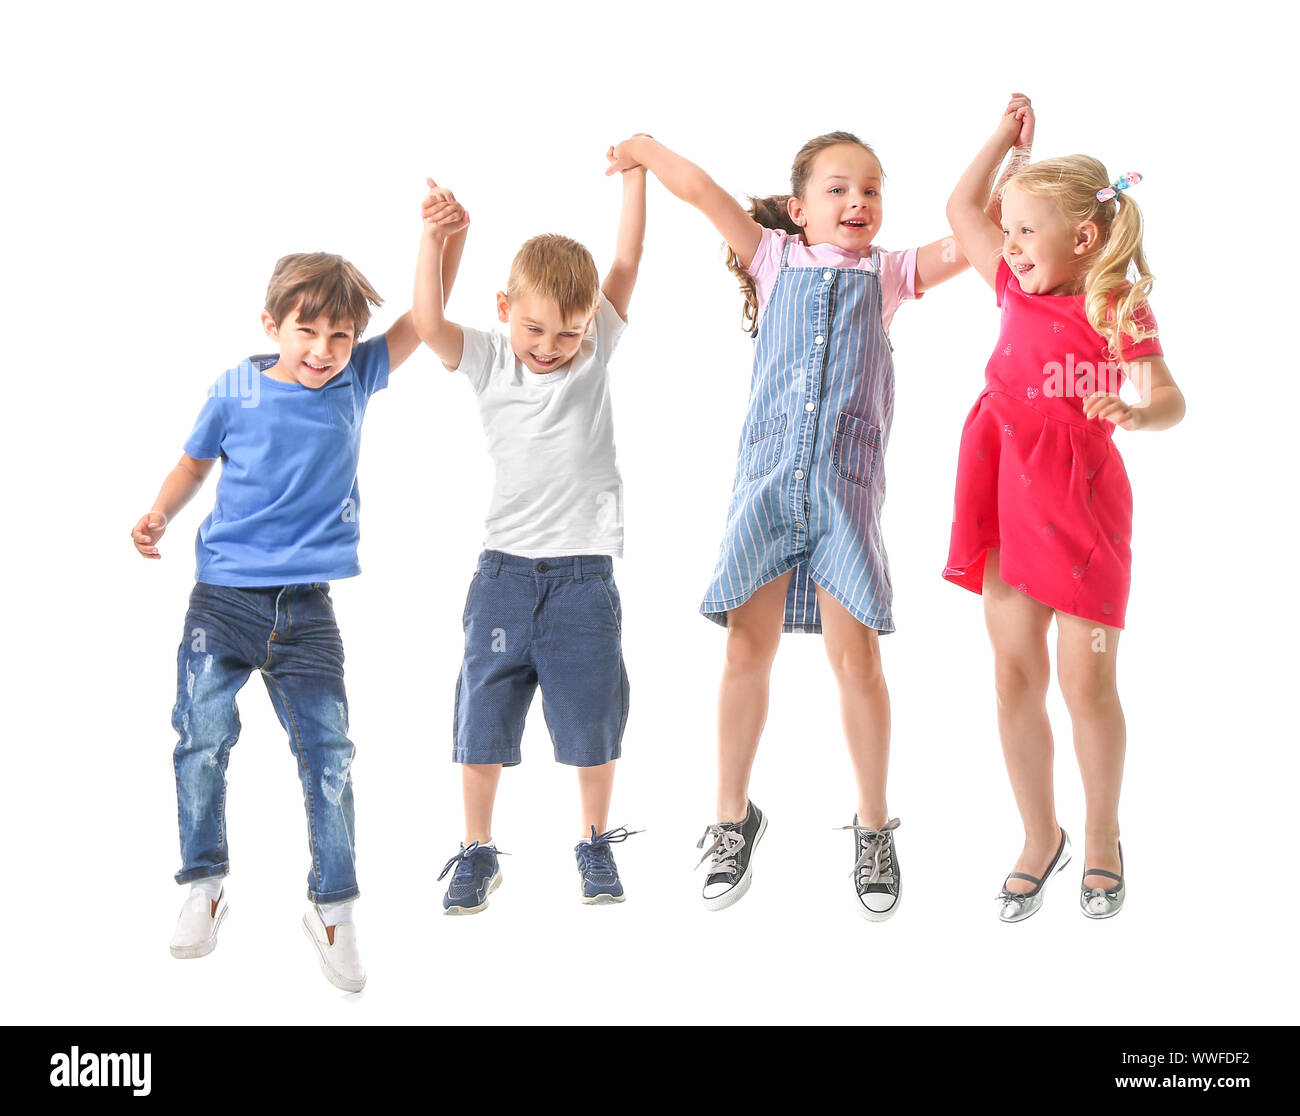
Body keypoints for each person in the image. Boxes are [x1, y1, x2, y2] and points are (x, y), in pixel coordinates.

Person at [605, 131, 969, 919]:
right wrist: (642, 148)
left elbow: (977, 235)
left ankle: (874, 826)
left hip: (844, 491)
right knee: (746, 649)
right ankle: (733, 817)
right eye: (838, 190)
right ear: (799, 209)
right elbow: (701, 190)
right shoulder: (771, 257)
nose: (858, 203)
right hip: (767, 486)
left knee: (858, 659)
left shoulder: (892, 272)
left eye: (871, 190)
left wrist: (1007, 152)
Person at [131, 199, 467, 990]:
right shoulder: (235, 390)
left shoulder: (357, 379)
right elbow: (191, 466)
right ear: (271, 325)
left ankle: (333, 909)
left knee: (329, 757)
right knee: (201, 741)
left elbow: (427, 312)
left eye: (340, 335)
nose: (323, 351)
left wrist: (444, 236)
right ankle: (202, 887)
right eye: (307, 332)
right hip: (221, 600)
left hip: (307, 608)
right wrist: (158, 512)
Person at [942, 94, 1186, 922]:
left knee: (1087, 682)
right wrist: (1006, 142)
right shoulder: (1013, 283)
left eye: (1025, 232)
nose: (1008, 245)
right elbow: (959, 209)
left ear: (1082, 239)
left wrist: (1137, 412)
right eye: (1006, 232)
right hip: (1007, 496)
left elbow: (1169, 397)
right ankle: (1038, 835)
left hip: (1081, 513)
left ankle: (1103, 834)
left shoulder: (1114, 304)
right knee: (1014, 674)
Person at [412, 163, 645, 913]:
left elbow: (628, 261)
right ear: (505, 308)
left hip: (584, 578)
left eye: (568, 334)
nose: (549, 346)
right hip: (505, 576)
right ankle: (478, 850)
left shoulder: (596, 348)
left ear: (591, 325)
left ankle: (594, 841)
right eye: (535, 328)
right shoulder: (487, 356)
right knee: (481, 718)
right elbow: (425, 322)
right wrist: (432, 237)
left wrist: (634, 180)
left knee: (592, 722)